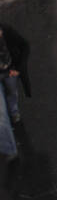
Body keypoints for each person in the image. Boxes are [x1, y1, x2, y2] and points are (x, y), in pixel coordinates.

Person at [0, 23, 30, 161]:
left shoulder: (7, 31)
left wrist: (18, 68)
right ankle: (9, 148)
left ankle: (14, 112)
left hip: (10, 72)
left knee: (12, 94)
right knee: (1, 114)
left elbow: (25, 46)